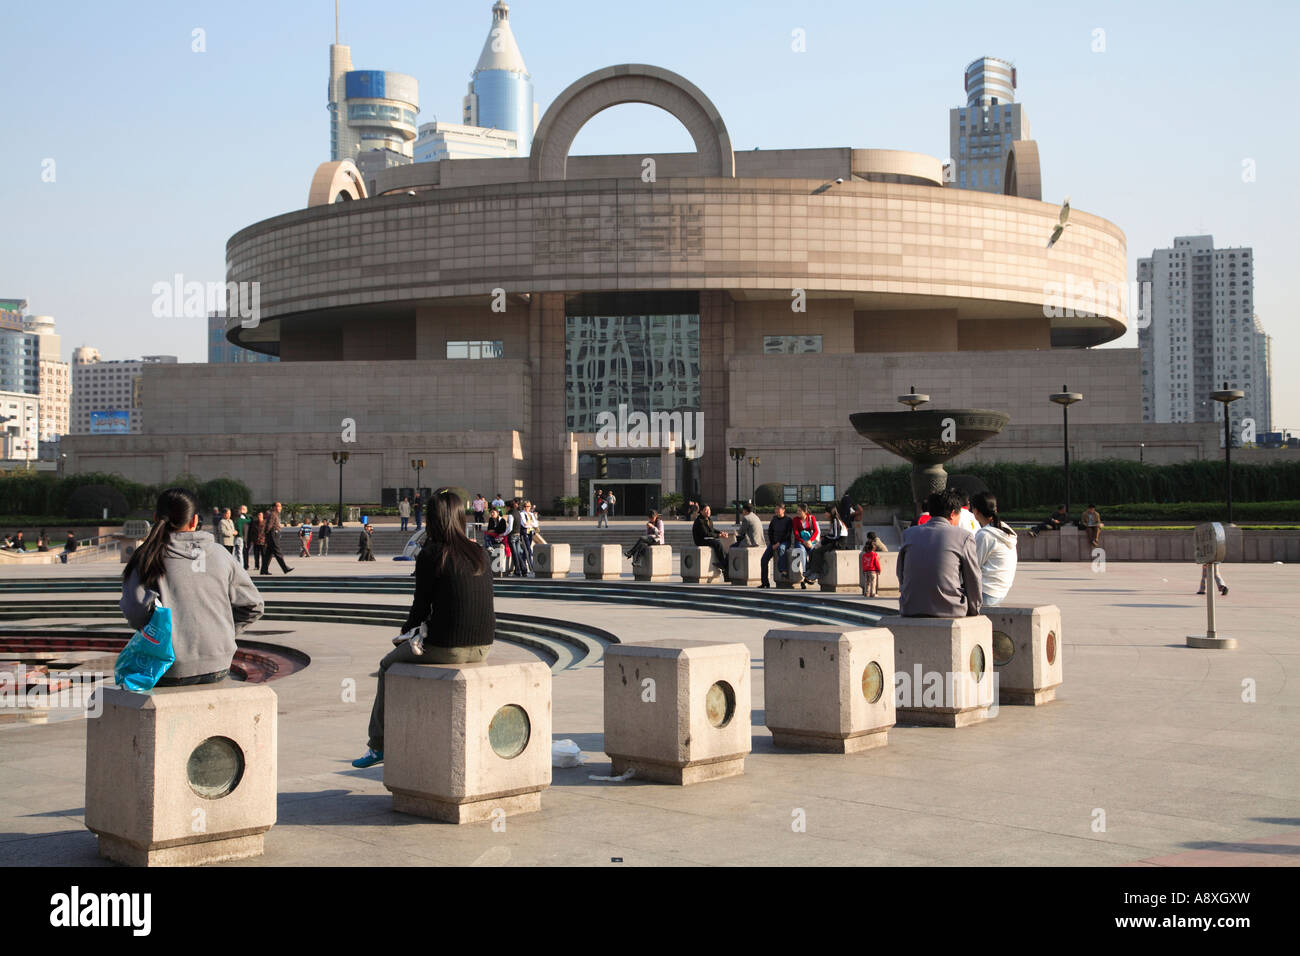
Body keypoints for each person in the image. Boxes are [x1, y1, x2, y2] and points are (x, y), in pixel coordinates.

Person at [353, 490, 495, 768]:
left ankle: (378, 744)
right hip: (483, 646)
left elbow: (420, 607)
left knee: (386, 665)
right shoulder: (479, 552)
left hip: (447, 646)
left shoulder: (432, 554)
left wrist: (404, 634)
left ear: (432, 520)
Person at [120, 488, 264, 686]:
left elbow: (135, 612)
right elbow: (254, 605)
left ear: (155, 517)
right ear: (195, 520)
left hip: (169, 666)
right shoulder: (221, 554)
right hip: (219, 662)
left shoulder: (146, 558)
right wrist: (223, 631)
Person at [897, 490, 982, 618]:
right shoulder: (963, 537)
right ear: (953, 514)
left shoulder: (908, 534)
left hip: (910, 607)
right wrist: (974, 609)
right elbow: (973, 578)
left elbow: (900, 573)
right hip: (950, 607)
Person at [971, 491, 1017, 607]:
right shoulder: (1004, 528)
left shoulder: (985, 535)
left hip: (986, 593)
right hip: (1000, 592)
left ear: (975, 511)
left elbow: (973, 566)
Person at [760, 503, 794, 588]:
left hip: (785, 542)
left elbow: (788, 534)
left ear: (783, 510)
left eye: (778, 509)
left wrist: (779, 543)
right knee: (764, 560)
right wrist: (773, 543)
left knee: (781, 549)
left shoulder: (788, 520)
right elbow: (770, 532)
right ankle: (765, 582)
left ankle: (783, 570)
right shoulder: (774, 519)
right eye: (776, 509)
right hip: (773, 543)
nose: (776, 511)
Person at [692, 504, 730, 572]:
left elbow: (712, 530)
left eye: (709, 510)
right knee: (717, 543)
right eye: (706, 510)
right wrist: (719, 535)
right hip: (700, 540)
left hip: (707, 538)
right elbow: (706, 533)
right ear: (701, 511)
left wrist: (721, 532)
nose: (708, 511)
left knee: (718, 544)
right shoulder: (700, 521)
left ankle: (724, 562)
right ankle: (723, 563)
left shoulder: (709, 519)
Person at [792, 503, 821, 588]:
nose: (798, 512)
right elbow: (796, 533)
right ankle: (806, 572)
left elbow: (816, 531)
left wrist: (810, 541)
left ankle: (811, 573)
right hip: (800, 541)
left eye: (799, 511)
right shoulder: (795, 520)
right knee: (802, 552)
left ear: (805, 512)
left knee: (813, 551)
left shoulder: (811, 518)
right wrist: (803, 542)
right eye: (797, 510)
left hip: (809, 541)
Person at [259, 501, 293, 575]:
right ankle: (285, 568)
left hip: (273, 535)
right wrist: (267, 534)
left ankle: (264, 570)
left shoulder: (275, 515)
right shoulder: (273, 515)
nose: (280, 508)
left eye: (280, 506)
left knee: (268, 554)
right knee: (278, 552)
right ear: (274, 507)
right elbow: (269, 526)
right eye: (278, 506)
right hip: (273, 534)